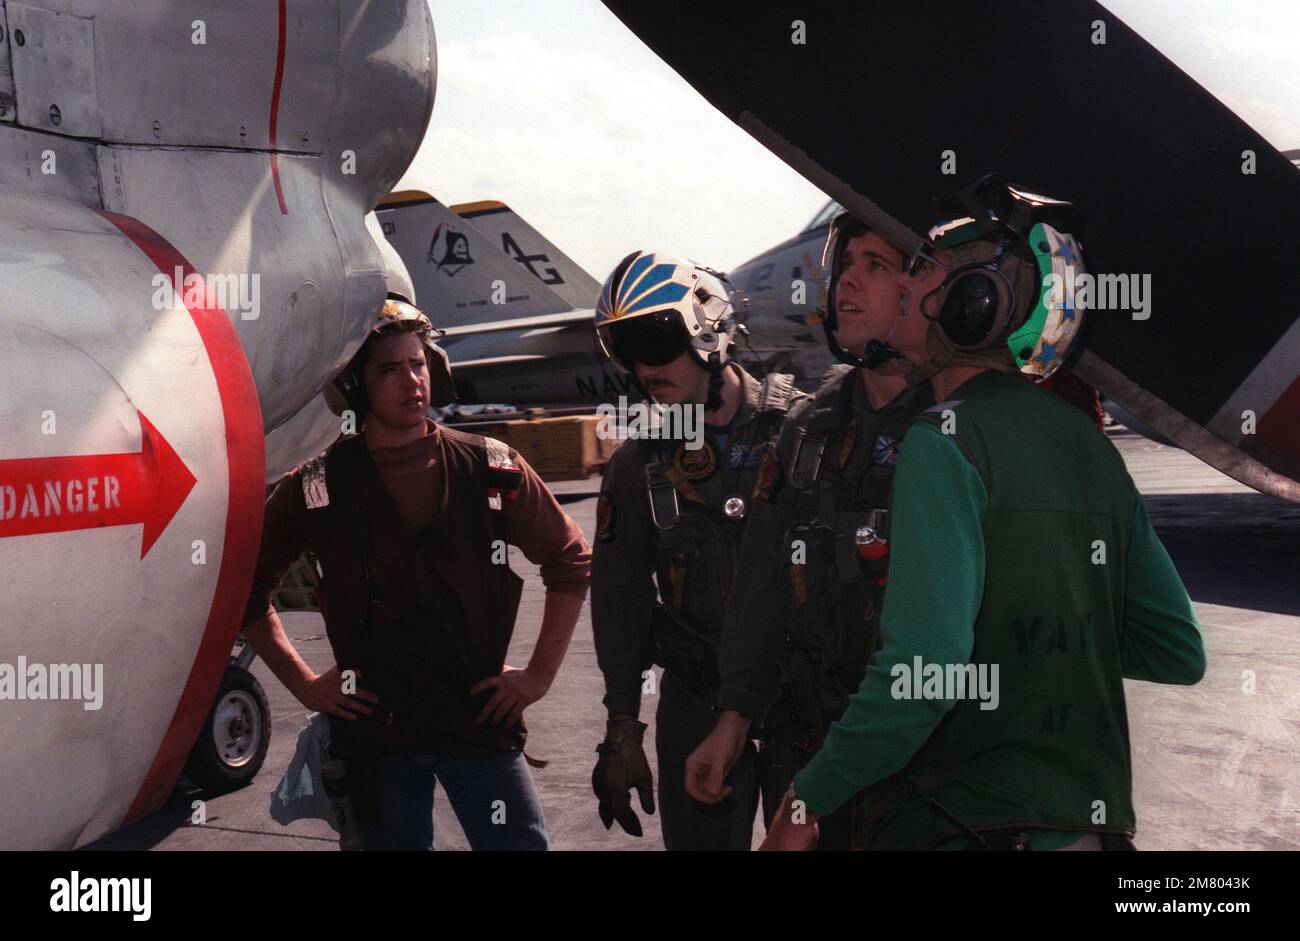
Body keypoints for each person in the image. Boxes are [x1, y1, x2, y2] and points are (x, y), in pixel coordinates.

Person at [758, 175, 1206, 850]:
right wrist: (1026, 646)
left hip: (968, 824)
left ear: (973, 302)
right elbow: (1176, 649)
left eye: (921, 271)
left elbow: (921, 679)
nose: (904, 286)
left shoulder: (941, 442)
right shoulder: (1088, 443)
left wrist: (806, 799)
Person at [242, 296, 591, 851]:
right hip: (377, 735)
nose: (412, 380)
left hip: (478, 721)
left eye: (418, 364)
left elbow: (570, 561)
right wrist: (305, 685)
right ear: (356, 386)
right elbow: (249, 590)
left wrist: (539, 676)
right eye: (389, 368)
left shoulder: (490, 466)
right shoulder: (318, 486)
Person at [682, 217, 932, 849]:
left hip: (929, 768)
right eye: (846, 261)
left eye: (876, 264)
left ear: (925, 288)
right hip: (811, 751)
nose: (847, 277)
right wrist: (733, 719)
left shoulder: (965, 429)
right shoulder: (805, 430)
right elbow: (761, 584)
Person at [588, 251, 803, 849]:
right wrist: (622, 726)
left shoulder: (804, 436)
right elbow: (619, 601)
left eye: (655, 342)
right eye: (626, 351)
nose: (642, 368)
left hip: (803, 706)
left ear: (709, 330)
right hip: (697, 702)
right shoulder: (638, 465)